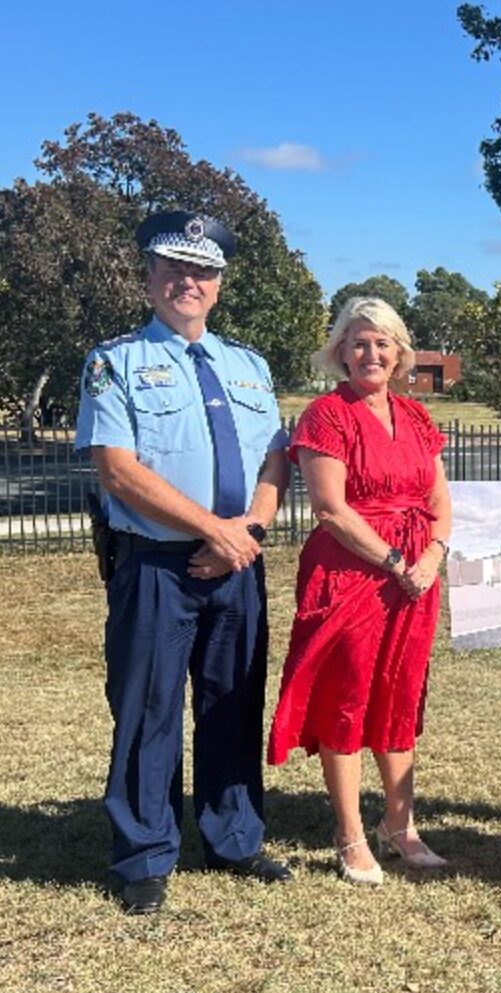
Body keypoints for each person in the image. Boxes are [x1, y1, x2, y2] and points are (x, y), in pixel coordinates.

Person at [75, 210, 292, 915]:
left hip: (238, 562)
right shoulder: (115, 362)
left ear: (219, 284)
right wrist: (213, 531)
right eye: (173, 268)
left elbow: (274, 460)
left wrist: (247, 531)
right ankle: (144, 854)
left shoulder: (249, 366)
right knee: (149, 707)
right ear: (149, 277)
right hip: (157, 568)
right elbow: (118, 470)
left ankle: (234, 837)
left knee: (233, 702)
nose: (187, 281)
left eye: (201, 271)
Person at [267, 297, 452, 886]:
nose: (371, 353)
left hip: (415, 578)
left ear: (400, 353)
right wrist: (398, 560)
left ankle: (401, 826)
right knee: (346, 697)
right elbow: (330, 509)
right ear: (341, 352)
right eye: (359, 343)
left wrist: (432, 555)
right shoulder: (326, 415)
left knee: (399, 696)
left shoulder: (417, 418)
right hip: (351, 572)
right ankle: (349, 835)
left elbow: (440, 502)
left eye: (382, 343)